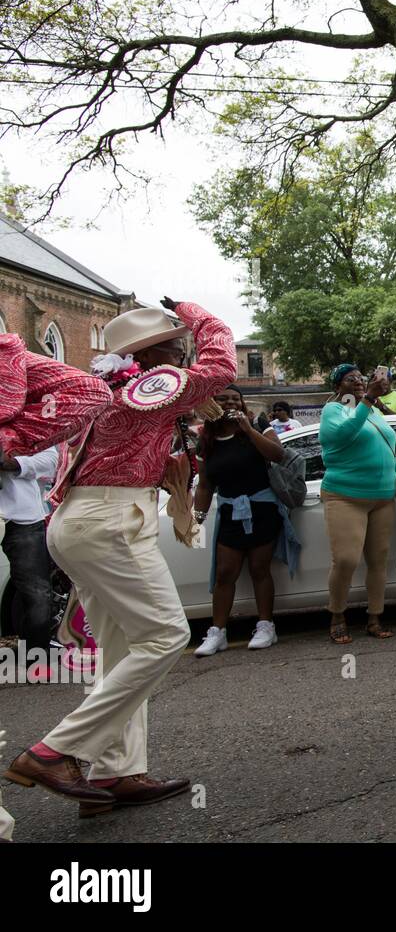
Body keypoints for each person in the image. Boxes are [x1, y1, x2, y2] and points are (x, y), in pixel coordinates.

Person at [6, 299, 233, 817]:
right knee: (166, 636)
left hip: (82, 522)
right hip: (109, 523)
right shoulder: (146, 391)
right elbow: (220, 365)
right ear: (147, 355)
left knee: (117, 652)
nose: (184, 351)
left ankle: (115, 774)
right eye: (175, 344)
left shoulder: (108, 391)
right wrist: (195, 312)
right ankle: (54, 752)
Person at [0, 334, 113, 827]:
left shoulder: (30, 394)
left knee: (35, 587)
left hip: (23, 514)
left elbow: (51, 458)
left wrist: (12, 452)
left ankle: (37, 652)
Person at [192, 385, 298, 656]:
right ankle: (217, 633)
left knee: (259, 569)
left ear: (241, 402)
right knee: (225, 573)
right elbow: (204, 486)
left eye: (234, 399)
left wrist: (247, 430)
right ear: (212, 405)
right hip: (230, 512)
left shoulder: (259, 425)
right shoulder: (206, 438)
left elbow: (277, 454)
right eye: (222, 399)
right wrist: (196, 521)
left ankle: (266, 626)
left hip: (262, 508)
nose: (230, 403)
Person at [319, 364, 396, 643]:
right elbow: (343, 436)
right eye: (350, 379)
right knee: (346, 559)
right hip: (345, 496)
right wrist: (368, 398)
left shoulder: (373, 412)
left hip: (382, 497)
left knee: (378, 561)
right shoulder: (333, 410)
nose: (358, 381)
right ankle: (337, 614)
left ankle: (374, 617)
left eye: (360, 377)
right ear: (338, 387)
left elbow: (386, 446)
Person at [0, 445, 59, 652]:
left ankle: (35, 659)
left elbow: (52, 461)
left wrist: (14, 463)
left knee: (37, 595)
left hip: (22, 517)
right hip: (21, 517)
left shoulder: (26, 418)